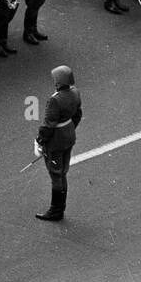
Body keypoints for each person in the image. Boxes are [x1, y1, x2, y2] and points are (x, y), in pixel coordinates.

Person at [34, 65, 82, 222]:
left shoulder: (55, 100)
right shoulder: (75, 93)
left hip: (56, 142)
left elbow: (48, 125)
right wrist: (69, 129)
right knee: (63, 172)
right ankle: (60, 208)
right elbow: (78, 114)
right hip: (69, 135)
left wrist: (40, 140)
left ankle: (56, 210)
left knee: (56, 174)